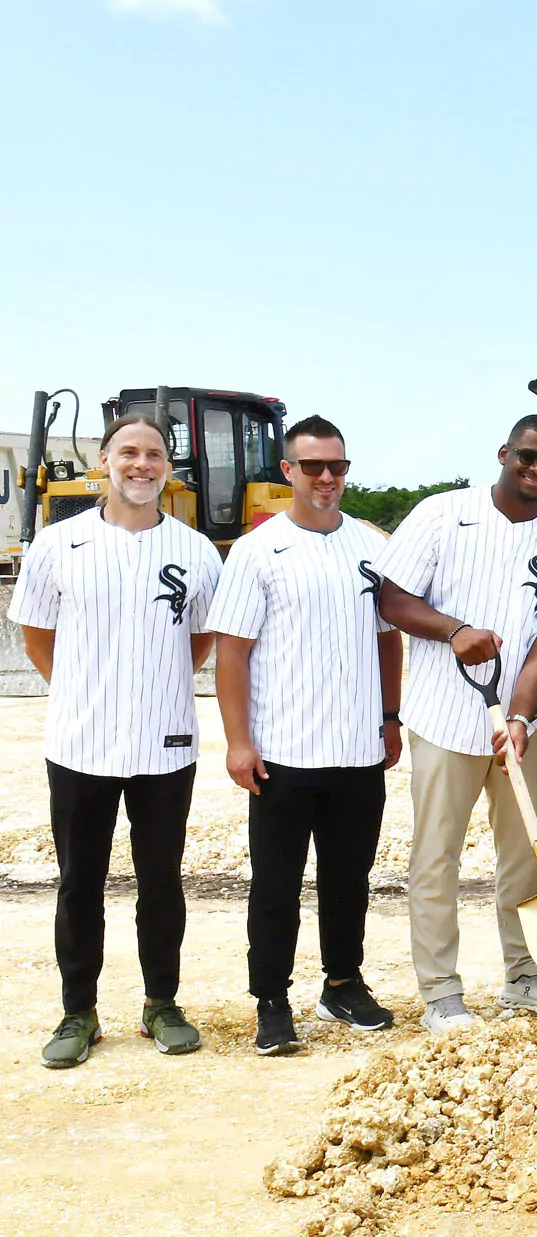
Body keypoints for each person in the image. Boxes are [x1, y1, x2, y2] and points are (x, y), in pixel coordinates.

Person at [10, 413, 222, 1067]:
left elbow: (201, 641)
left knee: (161, 879)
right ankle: (79, 1011)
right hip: (79, 743)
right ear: (104, 461)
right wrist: (80, 689)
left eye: (153, 453)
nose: (140, 463)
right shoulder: (59, 544)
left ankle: (162, 1002)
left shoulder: (195, 552)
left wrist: (153, 686)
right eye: (127, 451)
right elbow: (37, 632)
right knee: (80, 882)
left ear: (168, 466)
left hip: (166, 744)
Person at [376, 414, 537, 1033]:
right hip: (444, 718)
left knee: (524, 855)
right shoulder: (441, 515)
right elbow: (392, 599)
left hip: (525, 724)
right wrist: (454, 631)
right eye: (528, 456)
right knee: (436, 857)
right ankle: (441, 990)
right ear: (504, 452)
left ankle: (522, 975)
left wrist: (522, 713)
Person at [209, 415, 403, 1055]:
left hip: (356, 751)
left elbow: (387, 641)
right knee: (276, 884)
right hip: (283, 753)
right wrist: (240, 741)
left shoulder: (371, 546)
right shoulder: (256, 551)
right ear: (287, 471)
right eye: (313, 466)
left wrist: (390, 718)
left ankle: (343, 983)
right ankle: (271, 998)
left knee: (350, 878)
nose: (326, 478)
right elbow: (231, 654)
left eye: (337, 467)